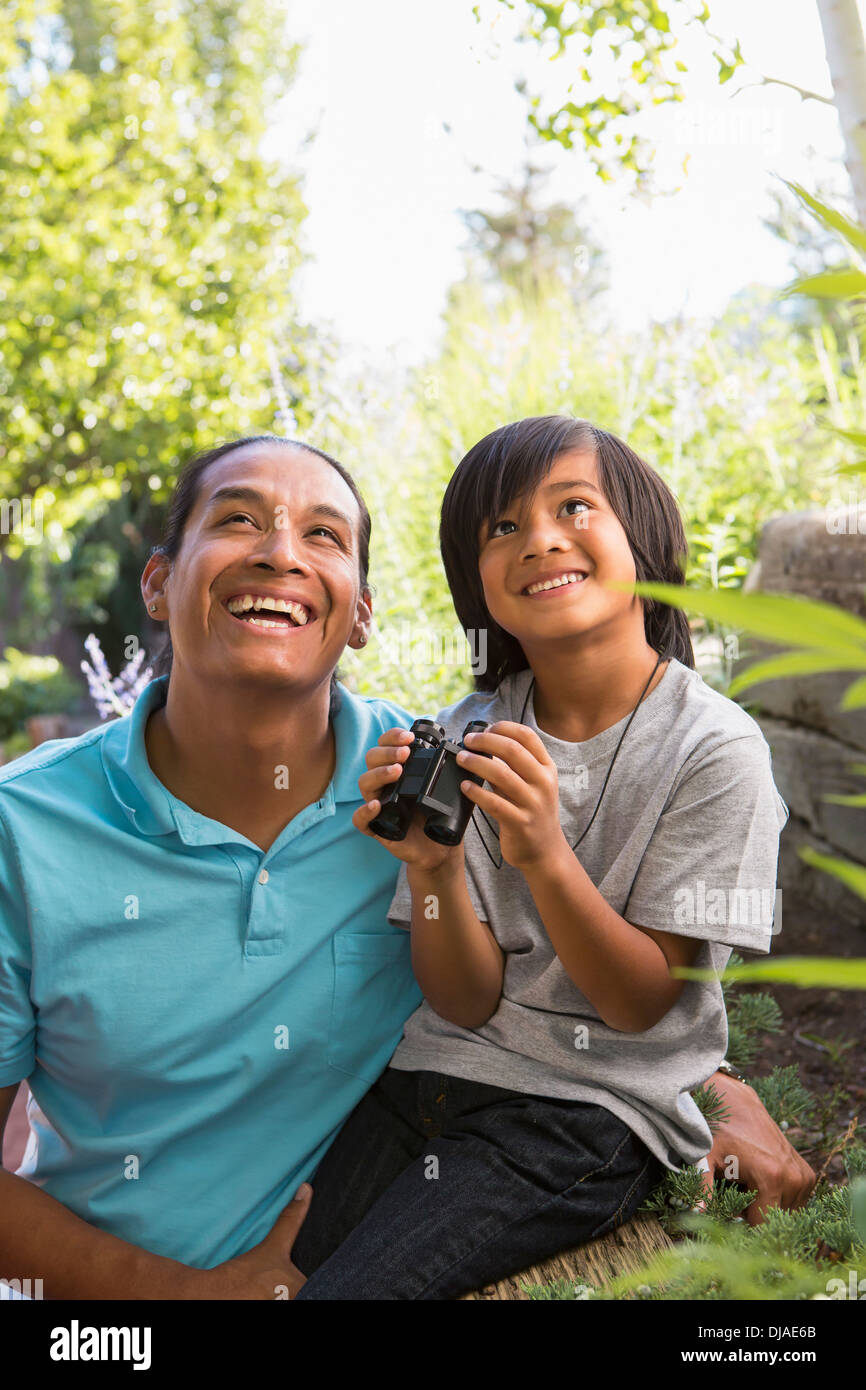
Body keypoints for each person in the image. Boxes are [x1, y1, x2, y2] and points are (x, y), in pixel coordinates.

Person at [0, 431, 813, 1301]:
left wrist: (707, 1086)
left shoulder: (421, 774)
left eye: (322, 535)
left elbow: (626, 984)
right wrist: (170, 1293)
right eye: (239, 519)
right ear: (158, 584)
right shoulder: (24, 829)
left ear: (360, 614)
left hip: (453, 1175)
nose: (279, 552)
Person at [291, 416, 815, 1301]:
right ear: (478, 584)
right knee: (282, 1273)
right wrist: (430, 870)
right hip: (429, 1077)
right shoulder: (468, 731)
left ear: (644, 543)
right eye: (501, 528)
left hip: (582, 1115)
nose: (537, 538)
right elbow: (463, 998)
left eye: (574, 506)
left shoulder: (713, 749)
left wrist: (543, 852)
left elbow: (643, 1002)